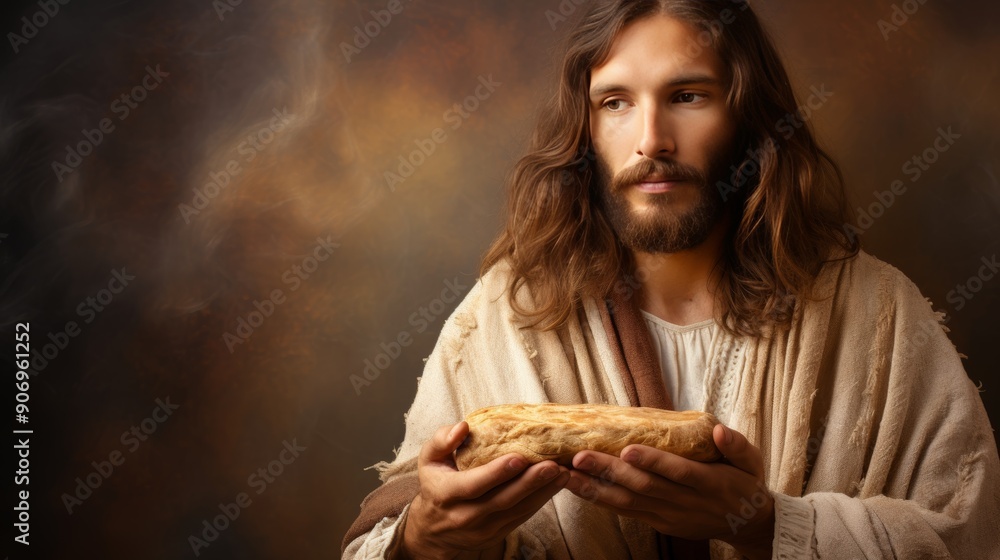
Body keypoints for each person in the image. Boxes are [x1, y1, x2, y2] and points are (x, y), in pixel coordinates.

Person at [342, 1, 1000, 558]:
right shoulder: (508, 314)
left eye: (688, 96)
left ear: (748, 117)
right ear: (586, 130)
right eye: (616, 103)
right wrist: (427, 536)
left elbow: (969, 533)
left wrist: (772, 524)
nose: (651, 138)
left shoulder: (875, 312)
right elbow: (384, 534)